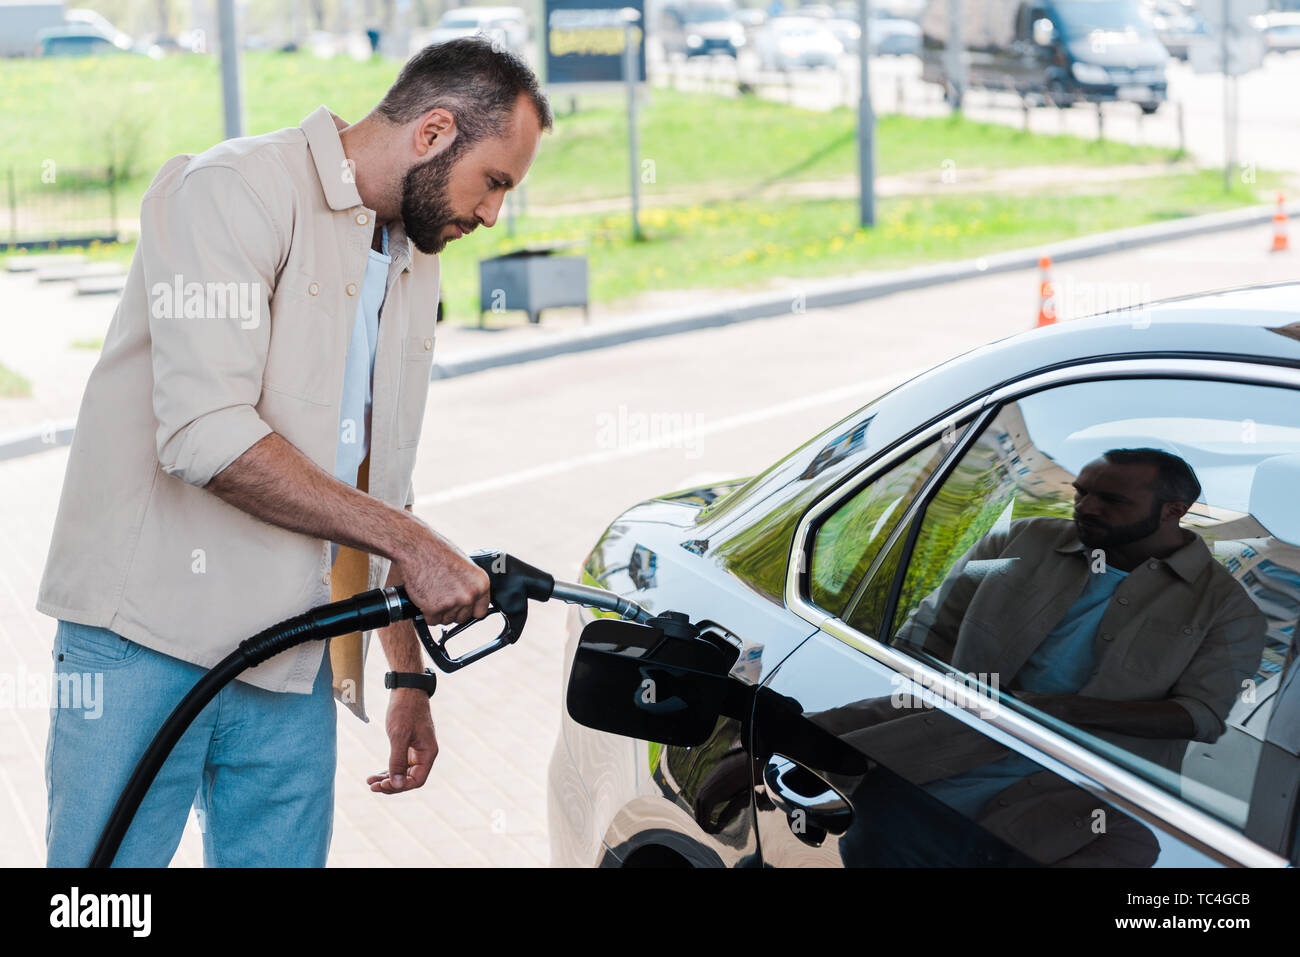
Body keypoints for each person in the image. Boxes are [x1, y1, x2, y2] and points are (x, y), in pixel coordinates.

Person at [38, 37, 553, 867]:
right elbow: (204, 432)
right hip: (144, 642)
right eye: (494, 181)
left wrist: (407, 671)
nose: (493, 214)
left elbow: (376, 480)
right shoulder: (231, 191)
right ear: (433, 132)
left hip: (292, 655)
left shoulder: (415, 256)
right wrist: (414, 547)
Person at [815, 448, 1268, 865]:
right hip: (912, 780)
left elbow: (1201, 715)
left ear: (1175, 511)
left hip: (1054, 824)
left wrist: (1059, 710)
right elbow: (924, 636)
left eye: (1111, 500)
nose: (1087, 507)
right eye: (1082, 492)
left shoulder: (1227, 609)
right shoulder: (1013, 543)